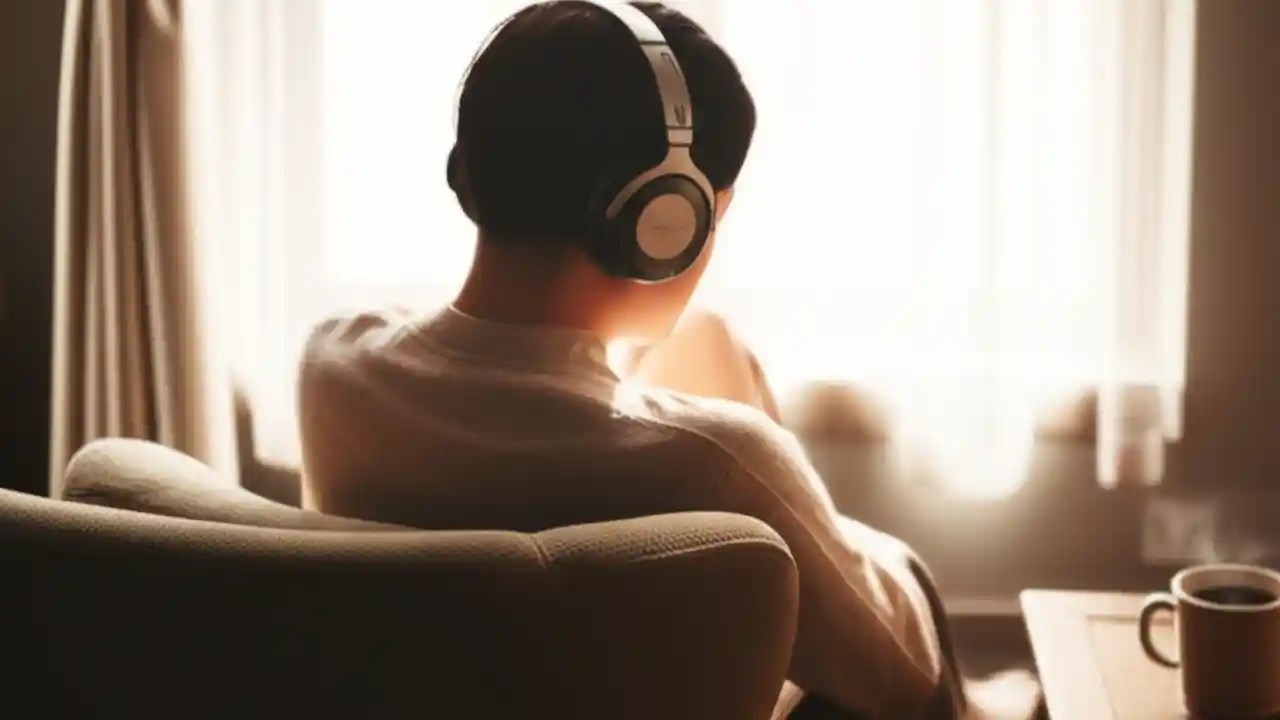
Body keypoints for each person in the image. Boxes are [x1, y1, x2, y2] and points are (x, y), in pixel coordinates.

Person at [298, 3, 1036, 718]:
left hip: (454, 686)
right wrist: (831, 530)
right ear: (665, 221)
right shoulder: (717, 465)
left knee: (703, 340)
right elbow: (902, 677)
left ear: (468, 169)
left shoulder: (332, 363)